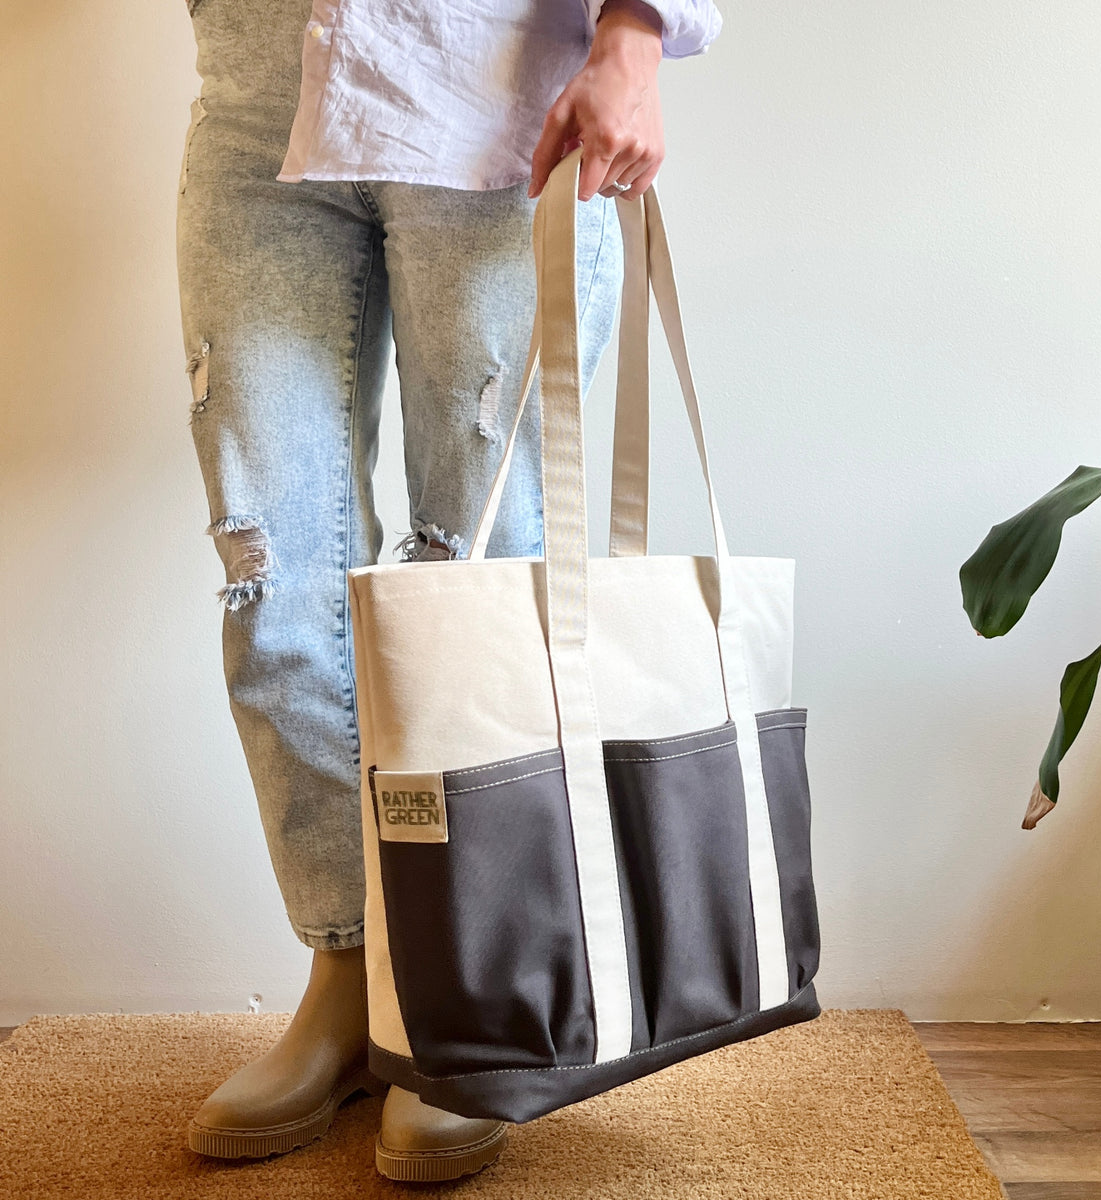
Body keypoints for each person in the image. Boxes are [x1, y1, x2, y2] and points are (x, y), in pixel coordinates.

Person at [176, 0, 722, 1182]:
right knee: (275, 576)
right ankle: (351, 973)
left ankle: (463, 993)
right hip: (257, 91)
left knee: (476, 584)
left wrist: (633, 35)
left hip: (492, 82)